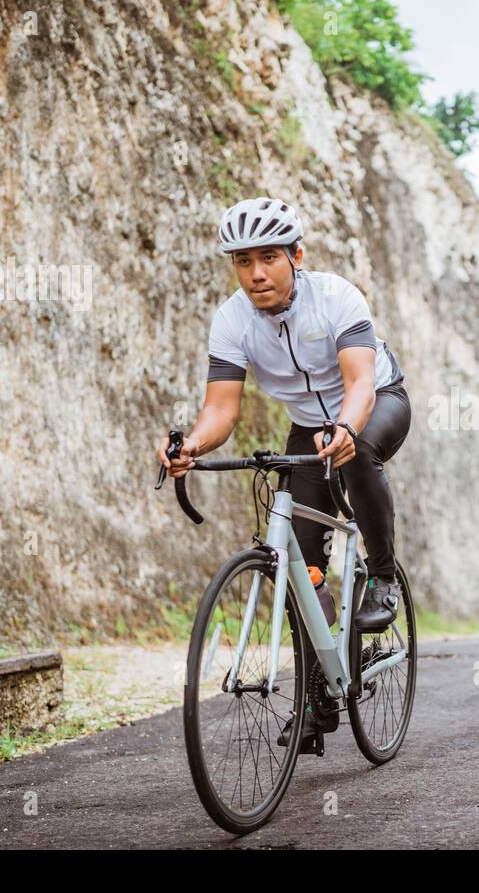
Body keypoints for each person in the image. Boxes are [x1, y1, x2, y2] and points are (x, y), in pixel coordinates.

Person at [157, 197, 412, 748]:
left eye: (268, 257)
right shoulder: (232, 320)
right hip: (307, 424)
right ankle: (318, 698)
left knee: (361, 451)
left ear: (297, 254)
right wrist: (192, 446)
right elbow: (222, 409)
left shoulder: (337, 298)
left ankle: (385, 577)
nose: (255, 274)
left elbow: (361, 383)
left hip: (374, 403)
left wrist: (345, 428)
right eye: (243, 261)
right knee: (301, 565)